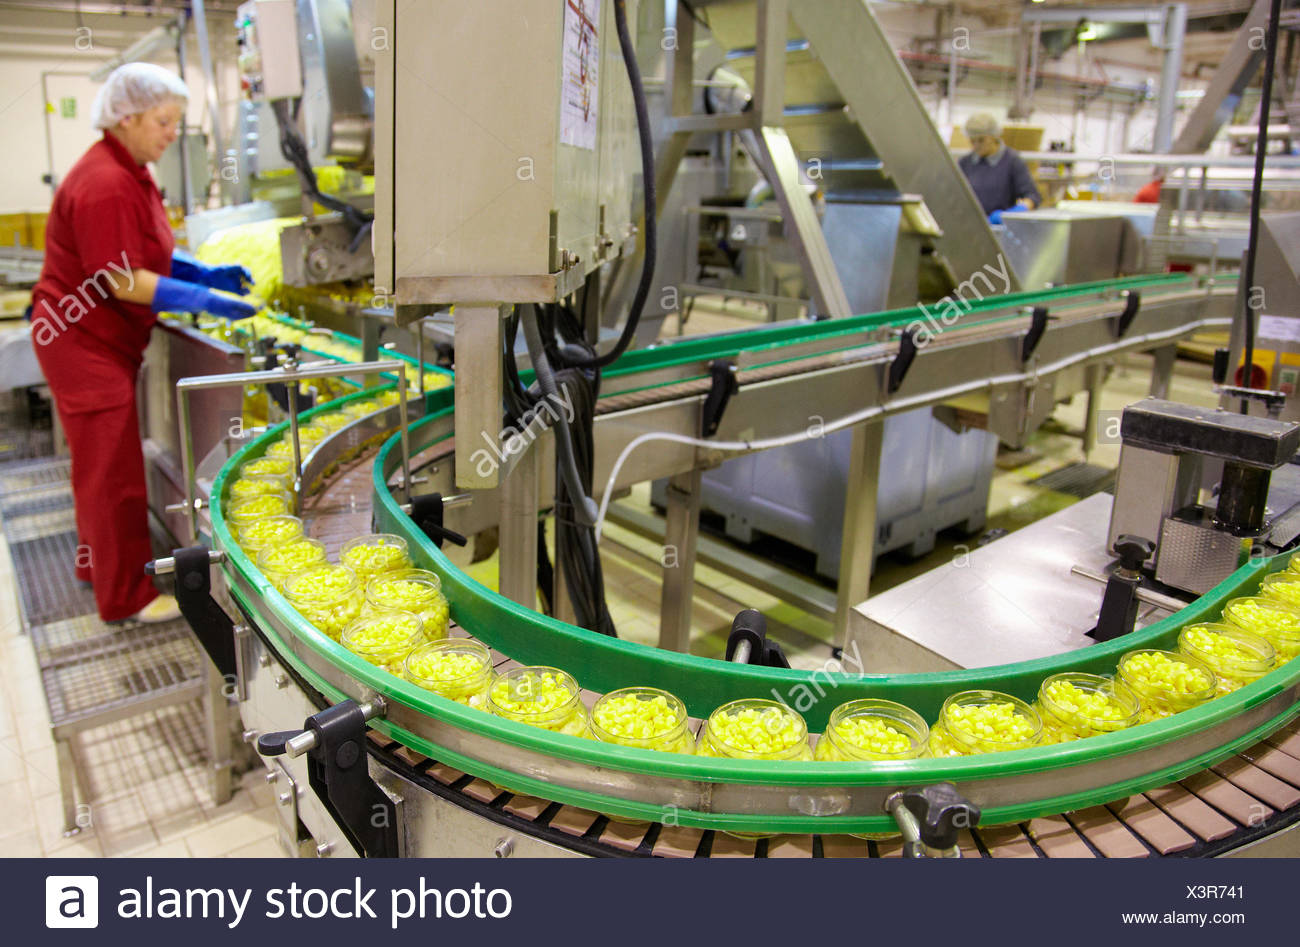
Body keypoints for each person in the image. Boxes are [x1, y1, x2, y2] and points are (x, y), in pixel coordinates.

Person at [31, 63, 256, 625]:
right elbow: (120, 279)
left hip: (95, 340)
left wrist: (203, 274)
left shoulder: (130, 170)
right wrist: (203, 300)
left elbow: (142, 254)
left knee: (98, 466)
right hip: (80, 342)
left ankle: (96, 565)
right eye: (164, 121)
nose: (173, 132)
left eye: (177, 121)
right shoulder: (105, 181)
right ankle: (123, 599)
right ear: (126, 117)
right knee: (112, 473)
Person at [958, 113, 1041, 223]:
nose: (976, 145)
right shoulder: (965, 163)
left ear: (994, 136)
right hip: (970, 225)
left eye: (981, 140)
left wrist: (1011, 214)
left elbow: (1032, 197)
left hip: (1000, 228)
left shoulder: (1012, 162)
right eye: (972, 141)